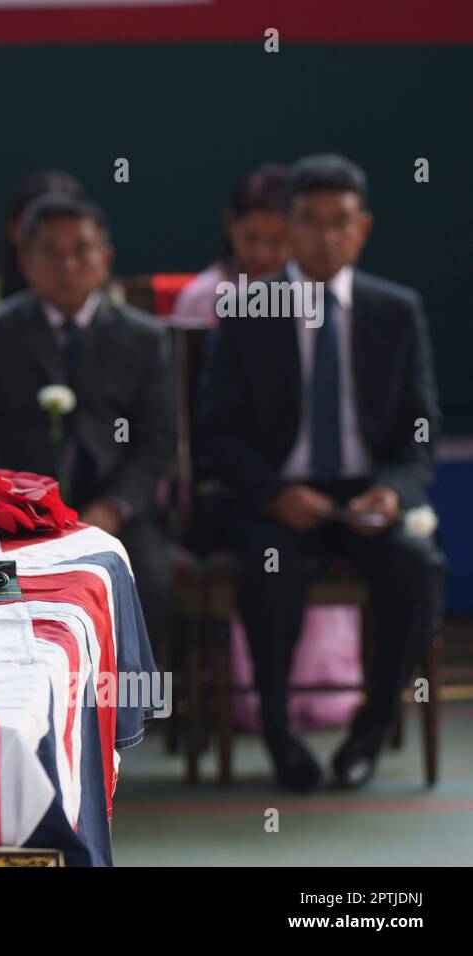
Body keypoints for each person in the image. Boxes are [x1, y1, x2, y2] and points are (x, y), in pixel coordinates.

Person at [196, 153, 444, 791]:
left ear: (363, 228)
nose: (327, 237)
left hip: (367, 498)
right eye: (311, 222)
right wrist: (276, 493)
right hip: (281, 501)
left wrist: (393, 491)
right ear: (288, 225)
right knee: (269, 569)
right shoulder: (250, 308)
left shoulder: (396, 310)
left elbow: (421, 431)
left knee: (416, 564)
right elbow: (216, 436)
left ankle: (370, 729)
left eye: (341, 223)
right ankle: (279, 732)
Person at [0, 192, 176, 655]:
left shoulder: (145, 338)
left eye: (81, 250)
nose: (67, 264)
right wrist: (23, 507)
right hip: (16, 516)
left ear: (105, 258)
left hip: (114, 513)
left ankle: (133, 716)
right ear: (26, 262)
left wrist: (112, 508)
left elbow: (157, 442)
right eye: (50, 252)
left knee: (150, 578)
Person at [174, 164, 289, 325]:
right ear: (229, 223)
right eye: (251, 238)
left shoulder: (319, 297)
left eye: (276, 241)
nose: (262, 255)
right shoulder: (200, 298)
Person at [0, 170, 85, 319]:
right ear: (13, 231)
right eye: (48, 248)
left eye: (78, 247)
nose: (65, 264)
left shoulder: (112, 303)